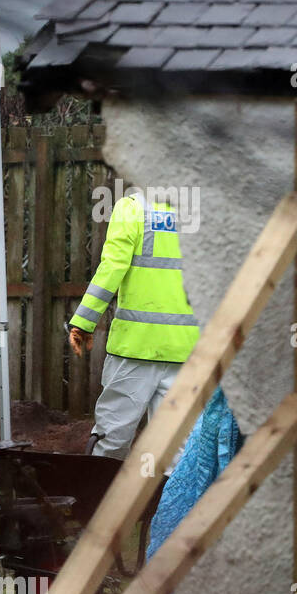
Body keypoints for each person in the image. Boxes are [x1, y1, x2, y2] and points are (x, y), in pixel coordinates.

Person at [68, 194, 199, 459]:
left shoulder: (133, 207)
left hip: (135, 349)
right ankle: (170, 501)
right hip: (185, 350)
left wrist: (83, 322)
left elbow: (112, 268)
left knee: (111, 440)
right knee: (177, 449)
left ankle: (99, 497)